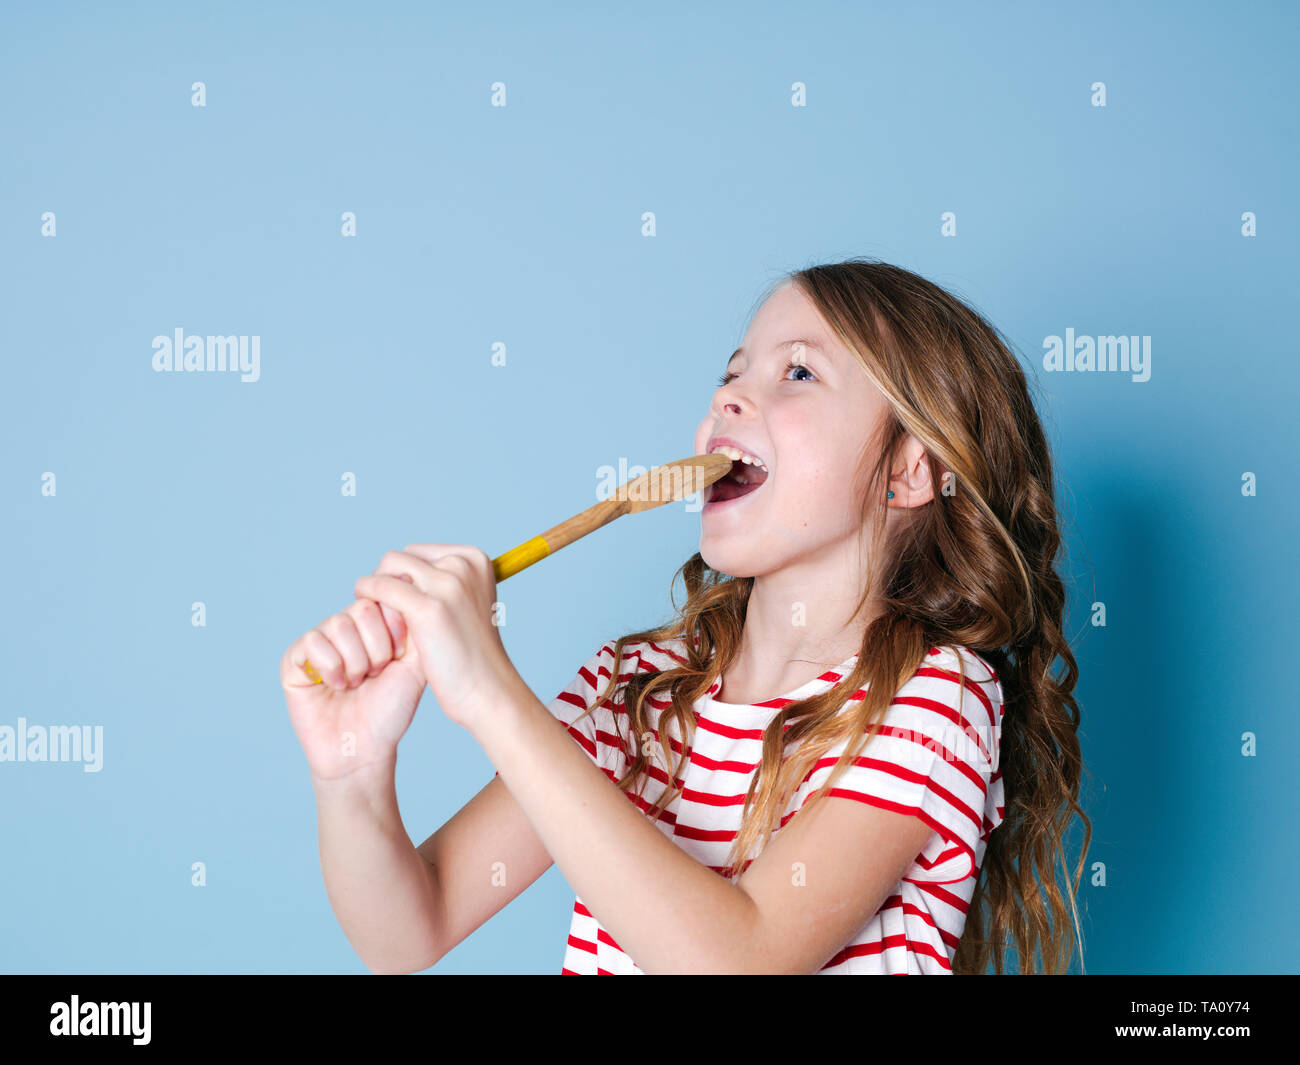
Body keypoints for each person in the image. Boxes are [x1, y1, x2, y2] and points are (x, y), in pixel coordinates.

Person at [280, 257, 1091, 975]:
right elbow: (406, 931)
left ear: (912, 470)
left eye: (798, 373)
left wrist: (492, 695)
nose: (729, 395)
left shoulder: (937, 701)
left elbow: (739, 959)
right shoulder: (634, 690)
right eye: (732, 374)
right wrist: (350, 775)